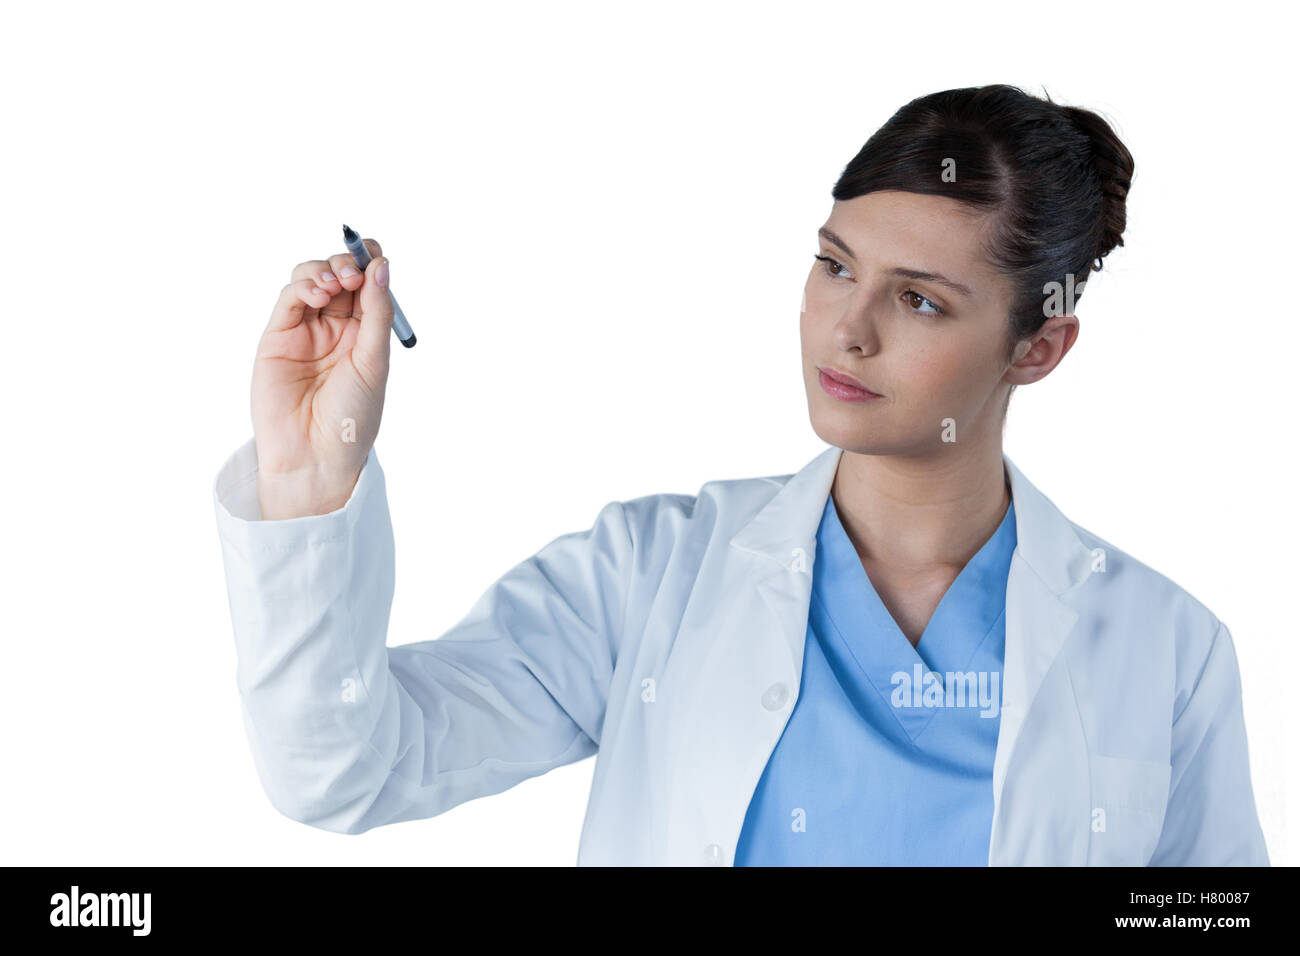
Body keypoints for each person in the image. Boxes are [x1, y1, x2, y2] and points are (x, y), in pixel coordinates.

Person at [212, 84, 1269, 866]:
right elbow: (344, 769)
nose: (845, 329)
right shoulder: (650, 575)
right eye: (834, 263)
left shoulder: (1164, 648)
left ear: (1036, 348)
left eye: (921, 301)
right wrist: (310, 476)